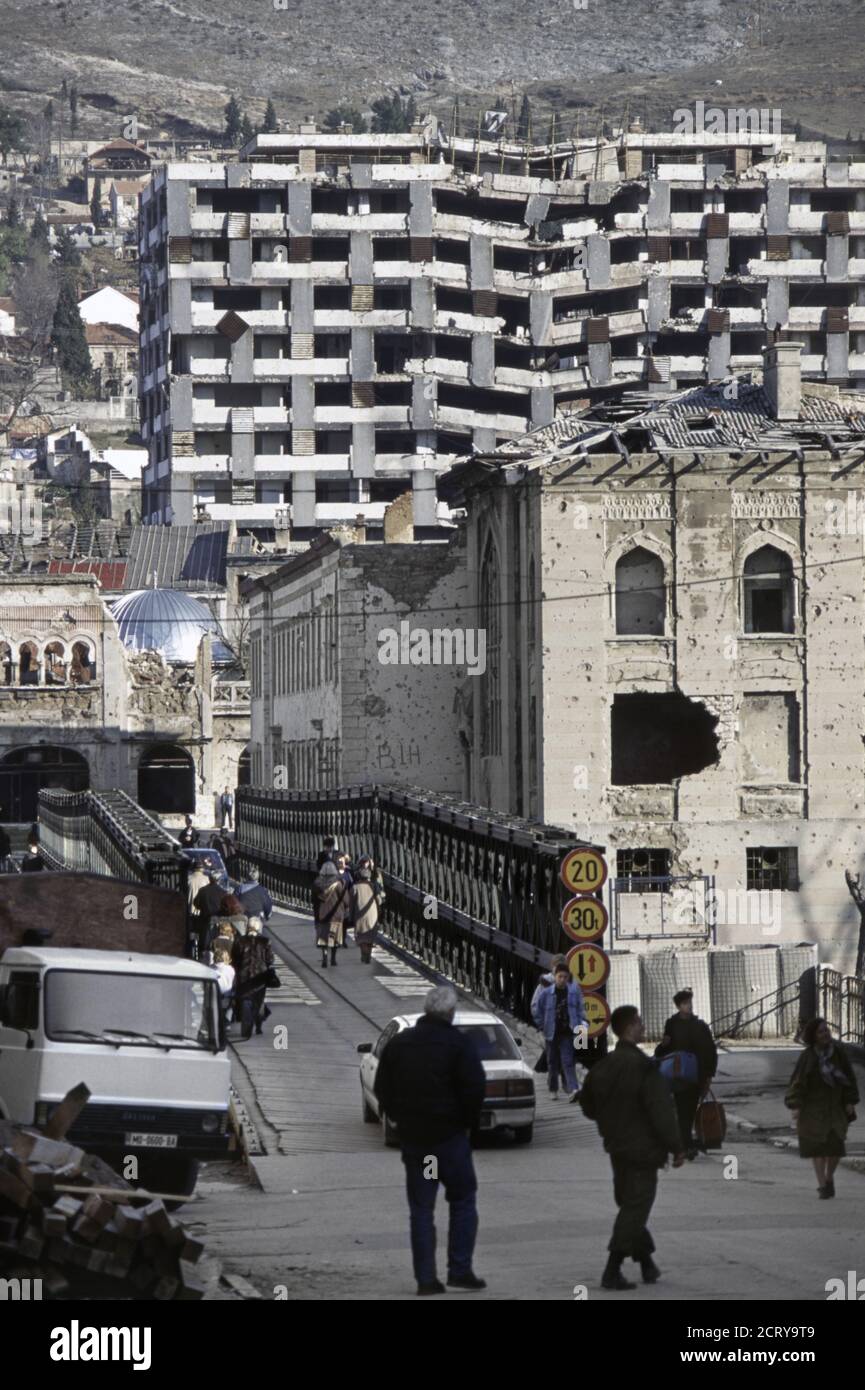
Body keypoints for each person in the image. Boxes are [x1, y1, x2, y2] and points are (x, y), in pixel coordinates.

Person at [374, 985, 487, 1296]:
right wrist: (467, 1124)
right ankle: (460, 1270)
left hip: (421, 1148)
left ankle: (426, 1280)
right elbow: (475, 1089)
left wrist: (400, 1120)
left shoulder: (401, 1044)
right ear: (450, 1013)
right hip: (450, 1142)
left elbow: (382, 1087)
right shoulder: (459, 1044)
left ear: (426, 1010)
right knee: (463, 1200)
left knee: (423, 1209)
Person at [580, 1005, 684, 1290]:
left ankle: (646, 1263)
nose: (642, 1026)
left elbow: (587, 1104)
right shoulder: (642, 1067)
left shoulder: (604, 1066)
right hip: (643, 1149)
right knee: (635, 1208)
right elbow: (660, 1110)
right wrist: (677, 1146)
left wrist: (609, 1120)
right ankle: (612, 1270)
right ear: (628, 1028)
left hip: (616, 1146)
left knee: (629, 1203)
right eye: (638, 1022)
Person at [785, 1017, 859, 1199]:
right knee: (817, 1148)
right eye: (821, 1032)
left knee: (835, 1147)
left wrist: (850, 1101)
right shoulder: (808, 1057)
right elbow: (797, 1083)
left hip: (836, 1108)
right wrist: (796, 1105)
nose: (825, 1034)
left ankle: (829, 1177)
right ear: (813, 1036)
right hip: (813, 1109)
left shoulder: (838, 1054)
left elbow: (849, 1079)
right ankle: (823, 1185)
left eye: (826, 1030)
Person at [654, 988, 718, 1159]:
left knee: (688, 1111)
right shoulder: (672, 1024)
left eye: (690, 1002)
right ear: (678, 1006)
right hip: (677, 1075)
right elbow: (662, 1052)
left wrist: (708, 1076)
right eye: (684, 1003)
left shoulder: (700, 1026)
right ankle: (686, 1145)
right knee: (683, 1111)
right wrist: (664, 1045)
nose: (689, 1006)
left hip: (696, 1075)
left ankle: (684, 1144)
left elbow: (710, 1052)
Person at [531, 963, 587, 1102]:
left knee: (568, 1061)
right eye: (560, 976)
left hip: (567, 1032)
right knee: (552, 1062)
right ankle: (553, 1089)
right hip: (551, 1033)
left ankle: (573, 1089)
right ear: (555, 976)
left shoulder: (573, 992)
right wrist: (541, 1025)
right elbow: (537, 1011)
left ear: (568, 978)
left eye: (565, 977)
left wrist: (582, 1026)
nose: (562, 979)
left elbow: (580, 1010)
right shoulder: (546, 993)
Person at [232, 916, 276, 1039]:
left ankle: (242, 1020)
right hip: (260, 977)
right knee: (260, 1000)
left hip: (243, 975)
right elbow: (270, 959)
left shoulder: (240, 941)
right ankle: (259, 1025)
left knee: (243, 997)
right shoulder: (265, 941)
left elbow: (234, 958)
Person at [312, 859, 350, 968]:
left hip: (322, 915)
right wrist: (346, 908)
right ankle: (333, 959)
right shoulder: (339, 883)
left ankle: (324, 957)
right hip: (336, 915)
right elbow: (346, 900)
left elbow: (313, 900)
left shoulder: (317, 883)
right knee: (333, 937)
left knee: (323, 937)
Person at [350, 855, 385, 963]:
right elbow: (379, 900)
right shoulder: (373, 886)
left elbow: (351, 903)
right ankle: (368, 954)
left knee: (361, 937)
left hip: (360, 915)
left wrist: (351, 916)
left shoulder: (355, 887)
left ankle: (364, 953)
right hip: (372, 915)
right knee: (370, 936)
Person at [193, 867, 228, 954]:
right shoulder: (223, 892)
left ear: (209, 879)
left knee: (204, 947)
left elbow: (196, 904)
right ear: (219, 880)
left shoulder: (203, 891)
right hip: (219, 922)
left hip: (204, 920)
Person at [213, 944, 235, 1022]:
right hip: (227, 994)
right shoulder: (230, 969)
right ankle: (227, 1019)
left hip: (214, 994)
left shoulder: (210, 968)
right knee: (231, 1005)